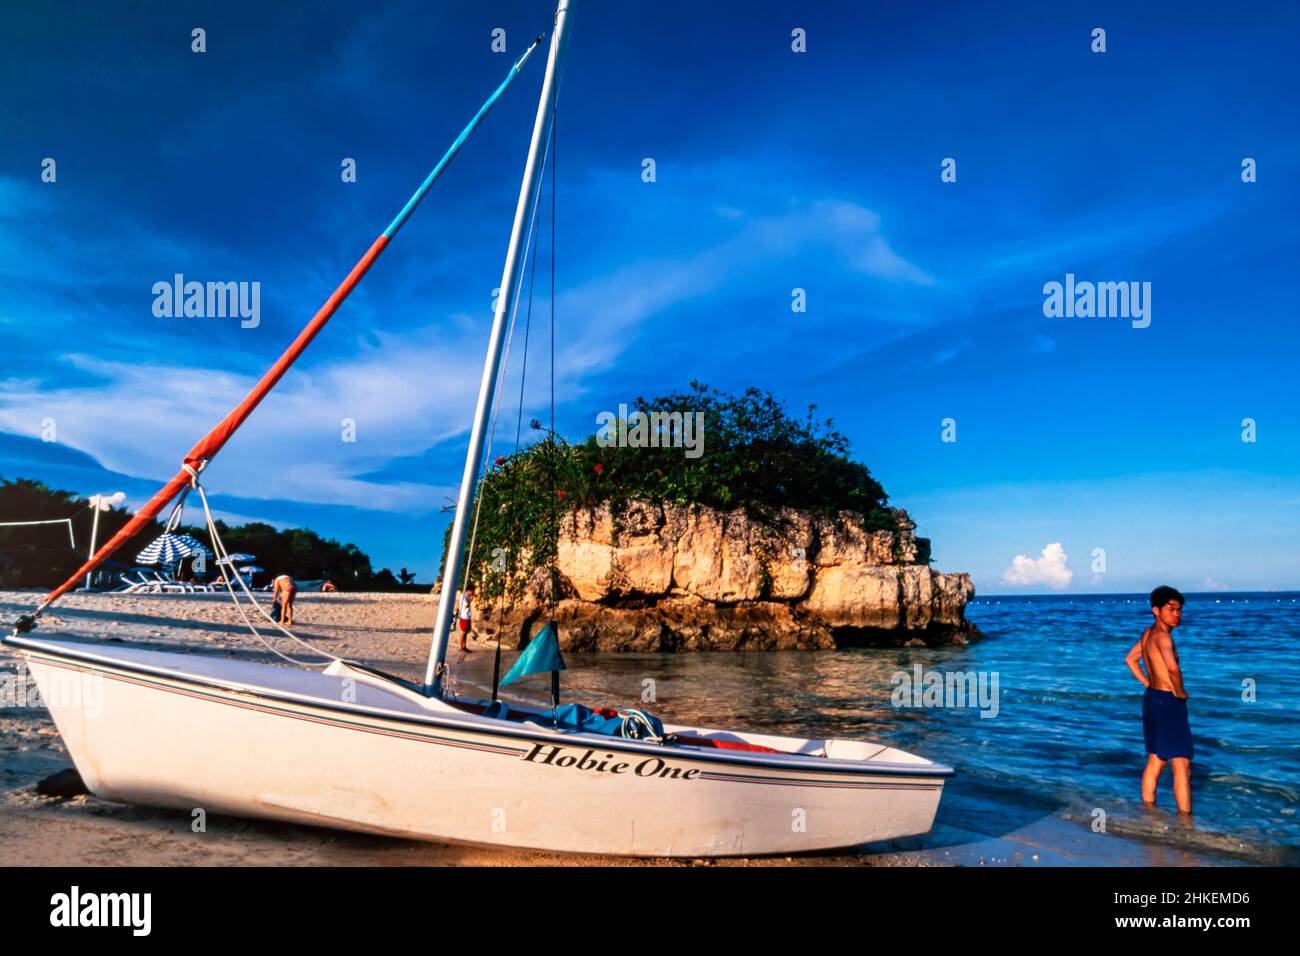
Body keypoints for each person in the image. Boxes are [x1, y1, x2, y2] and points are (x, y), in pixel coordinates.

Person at [1124, 585, 1192, 814]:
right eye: (1171, 609)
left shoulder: (1147, 634)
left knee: (1156, 759)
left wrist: (1148, 684)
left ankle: (1148, 813)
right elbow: (1173, 669)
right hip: (1168, 701)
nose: (1177, 614)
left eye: (1179, 610)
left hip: (1152, 699)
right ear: (1156, 610)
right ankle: (1186, 824)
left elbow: (1130, 660)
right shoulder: (1163, 638)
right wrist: (1180, 693)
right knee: (1181, 764)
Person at [457, 586, 474, 652]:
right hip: (464, 617)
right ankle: (461, 647)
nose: (472, 593)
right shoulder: (463, 597)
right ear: (468, 591)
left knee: (465, 632)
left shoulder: (466, 597)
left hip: (467, 616)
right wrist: (470, 601)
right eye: (472, 591)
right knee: (463, 632)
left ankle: (464, 646)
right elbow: (465, 606)